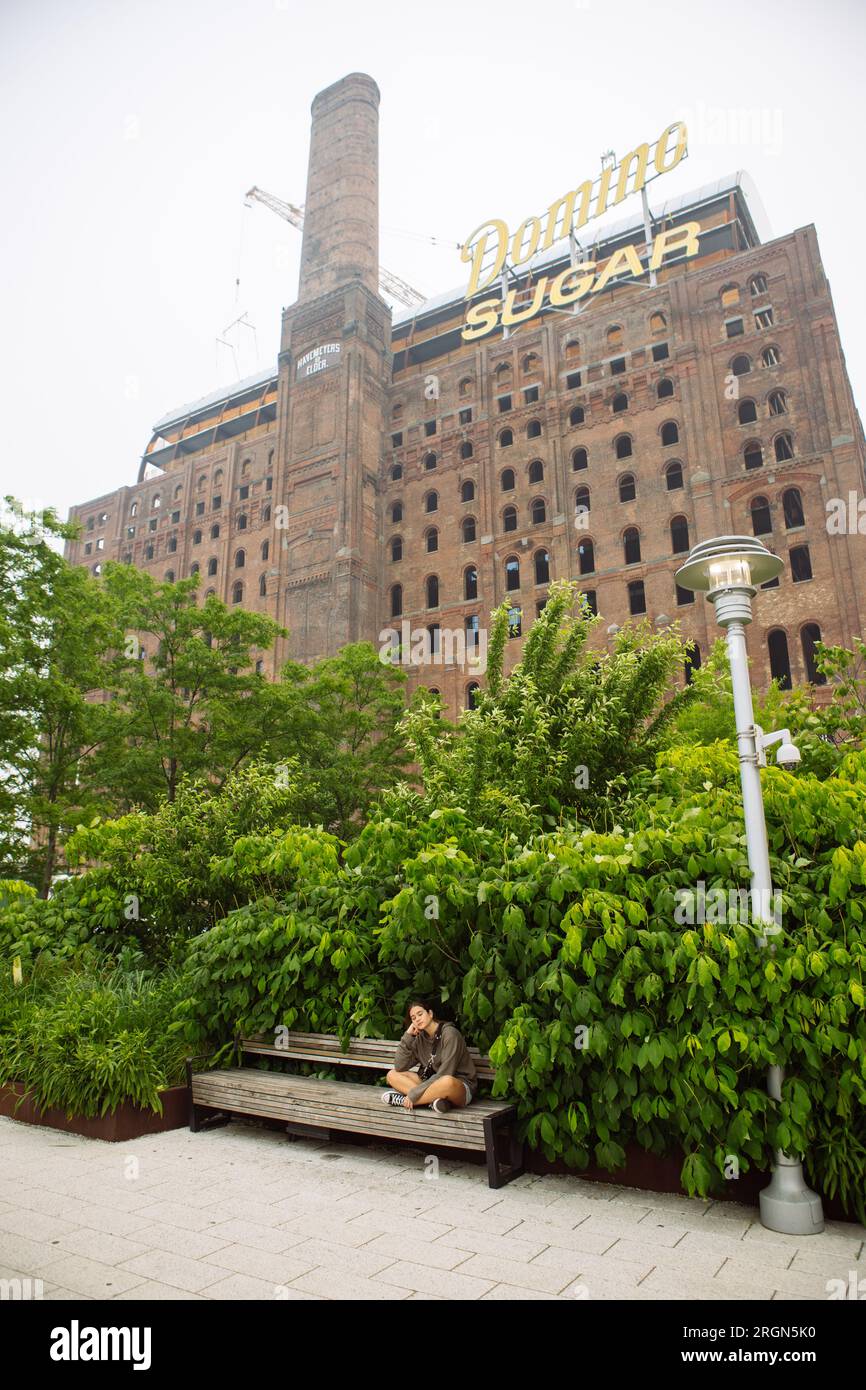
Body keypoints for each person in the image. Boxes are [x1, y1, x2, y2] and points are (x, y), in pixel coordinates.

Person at [380, 998, 478, 1115]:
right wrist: (408, 1036)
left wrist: (413, 1095)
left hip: (459, 1086)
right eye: (413, 1018)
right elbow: (400, 1066)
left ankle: (408, 1101)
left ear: (430, 1014)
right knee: (392, 1075)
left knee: (447, 1081)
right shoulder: (420, 1039)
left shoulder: (450, 1034)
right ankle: (434, 1101)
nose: (417, 1019)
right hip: (431, 1083)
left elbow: (445, 1073)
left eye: (420, 1014)